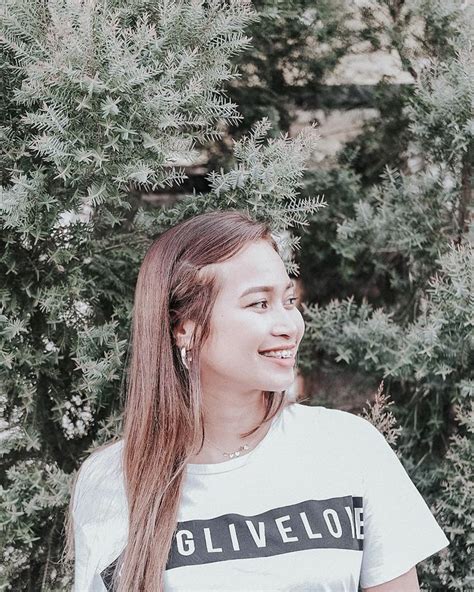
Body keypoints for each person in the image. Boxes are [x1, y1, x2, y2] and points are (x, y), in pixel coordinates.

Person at [67, 209, 449, 592]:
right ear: (185, 328)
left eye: (289, 300)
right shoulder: (111, 480)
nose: (290, 326)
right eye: (259, 304)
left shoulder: (349, 448)